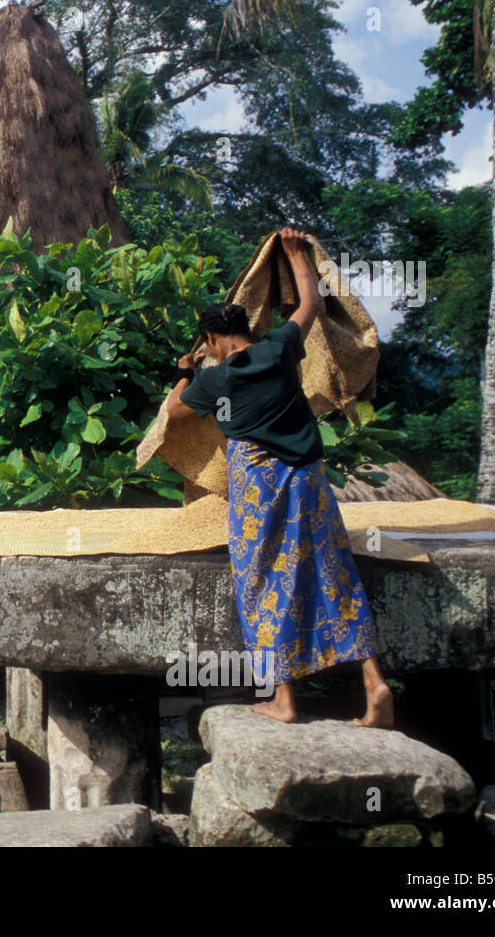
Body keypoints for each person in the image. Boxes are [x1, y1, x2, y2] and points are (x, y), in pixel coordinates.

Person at [163, 227, 393, 727]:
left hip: (259, 486)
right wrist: (295, 255)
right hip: (308, 477)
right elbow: (308, 302)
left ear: (211, 339)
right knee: (333, 572)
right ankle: (375, 683)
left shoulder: (215, 378)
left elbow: (174, 413)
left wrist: (183, 371)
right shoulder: (280, 347)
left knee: (261, 581)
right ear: (248, 324)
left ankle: (284, 699)